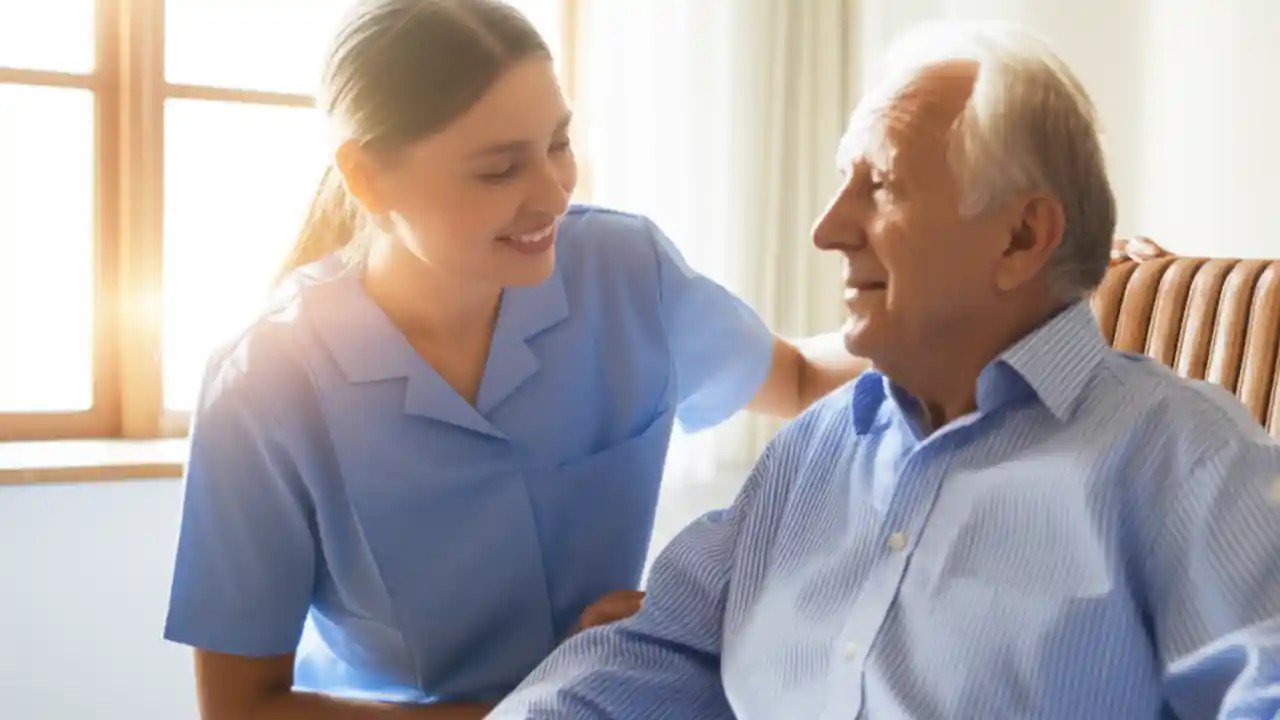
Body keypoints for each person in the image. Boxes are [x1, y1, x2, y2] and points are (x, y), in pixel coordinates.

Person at [489, 22, 1280, 720]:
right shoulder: (817, 450)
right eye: (841, 183)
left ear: (1021, 237)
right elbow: (641, 660)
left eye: (882, 185)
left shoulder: (1185, 459)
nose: (827, 229)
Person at [161, 1, 871, 718]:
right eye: (499, 171)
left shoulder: (625, 272)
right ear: (371, 180)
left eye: (558, 144)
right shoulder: (262, 388)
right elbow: (242, 707)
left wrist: (965, 314)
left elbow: (803, 379)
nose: (554, 194)